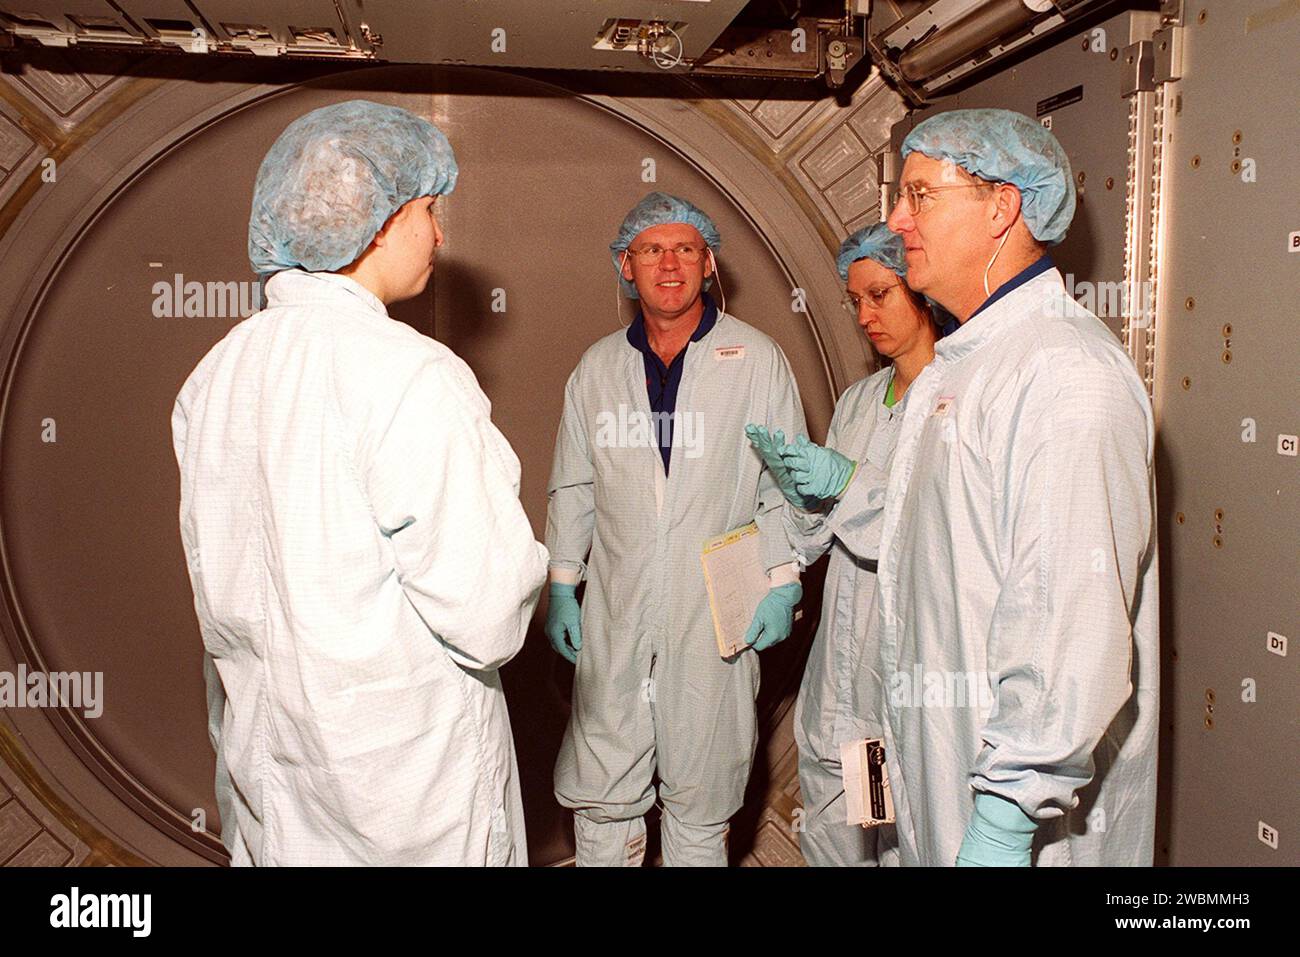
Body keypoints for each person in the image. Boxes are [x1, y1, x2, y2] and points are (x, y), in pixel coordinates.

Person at [778, 109, 1159, 866]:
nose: (896, 217)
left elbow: (1068, 625)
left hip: (1018, 820)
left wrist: (1009, 816)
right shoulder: (960, 369)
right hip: (939, 786)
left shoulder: (1064, 373)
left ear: (1001, 207)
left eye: (920, 195)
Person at [171, 100, 548, 866]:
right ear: (376, 220)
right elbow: (488, 614)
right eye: (430, 210)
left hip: (275, 786)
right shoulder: (410, 372)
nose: (441, 234)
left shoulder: (213, 378)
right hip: (407, 800)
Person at [545, 192, 806, 866]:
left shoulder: (755, 358)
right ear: (625, 266)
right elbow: (574, 485)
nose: (669, 263)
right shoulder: (596, 370)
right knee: (603, 797)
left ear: (708, 262)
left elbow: (782, 485)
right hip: (617, 606)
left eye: (686, 248)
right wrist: (563, 585)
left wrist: (782, 582)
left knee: (702, 797)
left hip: (714, 612)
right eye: (652, 250)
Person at [747, 223, 940, 866]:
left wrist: (848, 485)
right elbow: (825, 531)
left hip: (902, 663)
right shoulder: (860, 400)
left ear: (923, 290)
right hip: (844, 672)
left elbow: (933, 534)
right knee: (845, 832)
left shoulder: (957, 399)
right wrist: (800, 499)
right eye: (854, 301)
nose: (865, 316)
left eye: (880, 295)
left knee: (899, 836)